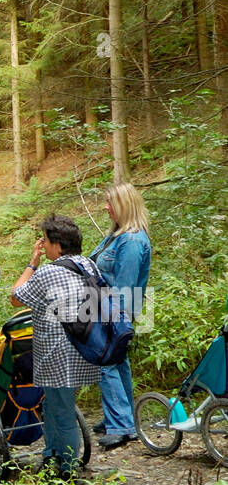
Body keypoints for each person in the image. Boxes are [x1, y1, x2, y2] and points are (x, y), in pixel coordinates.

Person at [11, 214, 101, 483]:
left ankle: (69, 468)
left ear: (58, 244)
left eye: (46, 242)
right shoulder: (89, 266)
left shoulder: (50, 271)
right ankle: (52, 454)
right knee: (53, 405)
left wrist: (32, 263)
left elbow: (16, 297)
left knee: (61, 410)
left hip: (57, 352)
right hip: (85, 348)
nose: (44, 246)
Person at [89, 183, 151, 450]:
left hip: (115, 310)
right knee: (118, 362)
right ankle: (121, 415)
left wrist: (113, 319)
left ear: (124, 205)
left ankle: (121, 425)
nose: (106, 207)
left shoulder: (133, 241)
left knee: (106, 363)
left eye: (110, 202)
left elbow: (125, 287)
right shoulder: (116, 235)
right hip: (103, 306)